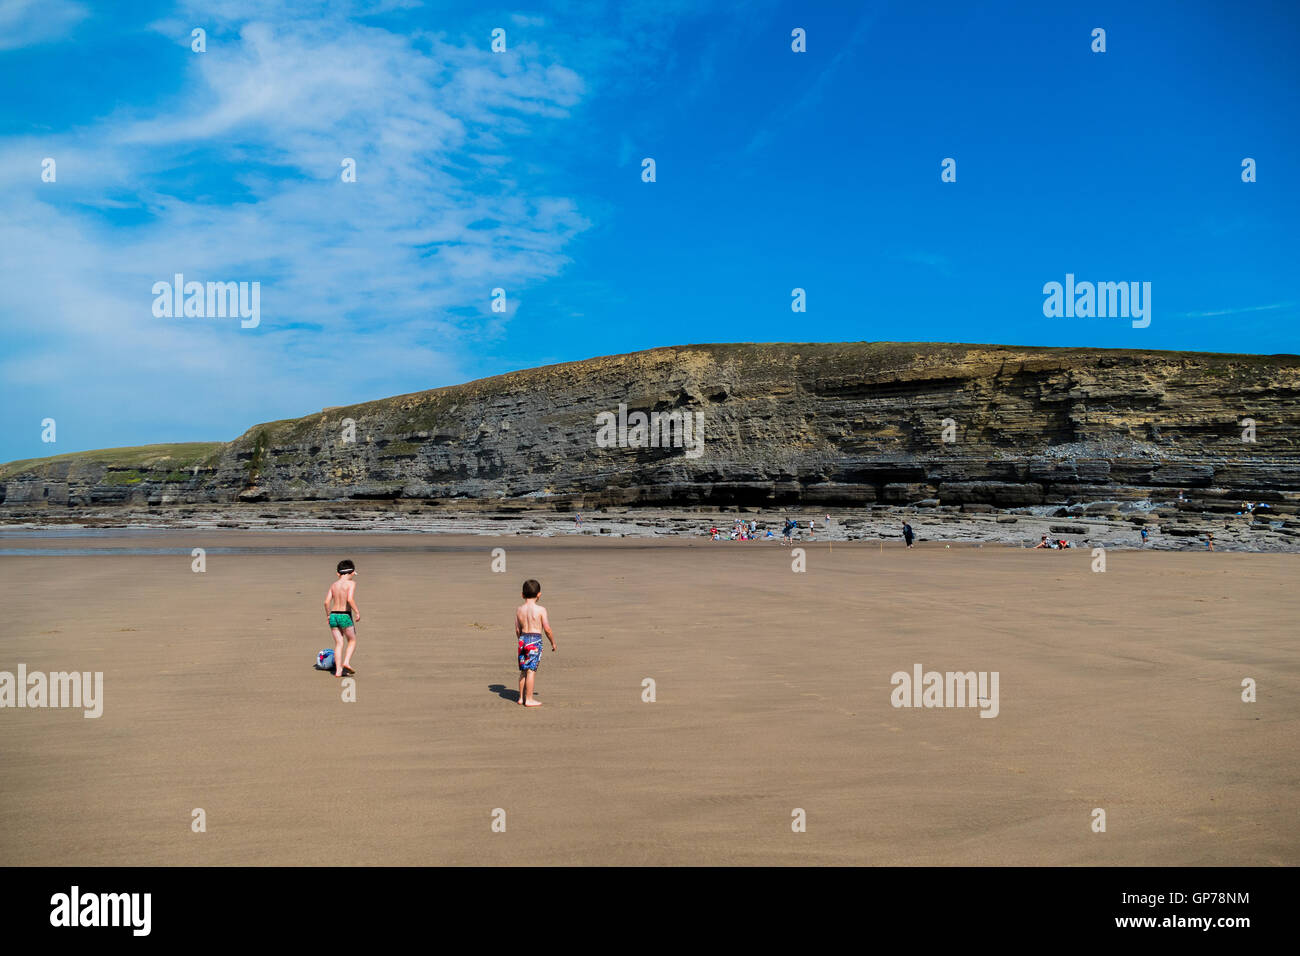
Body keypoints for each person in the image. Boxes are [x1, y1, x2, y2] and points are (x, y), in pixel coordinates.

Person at [516, 579, 557, 707]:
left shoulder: (519, 610)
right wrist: (553, 642)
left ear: (522, 594)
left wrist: (520, 640)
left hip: (523, 639)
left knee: (523, 670)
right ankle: (529, 699)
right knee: (531, 671)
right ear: (539, 594)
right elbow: (547, 629)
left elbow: (517, 629)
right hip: (535, 640)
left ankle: (520, 698)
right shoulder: (541, 610)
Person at [324, 559, 360, 678]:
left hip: (334, 615)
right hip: (345, 615)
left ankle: (338, 671)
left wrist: (328, 615)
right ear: (352, 572)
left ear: (338, 573)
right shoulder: (351, 583)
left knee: (339, 643)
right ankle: (346, 662)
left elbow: (326, 602)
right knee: (352, 640)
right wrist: (357, 611)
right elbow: (350, 599)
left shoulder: (334, 585)